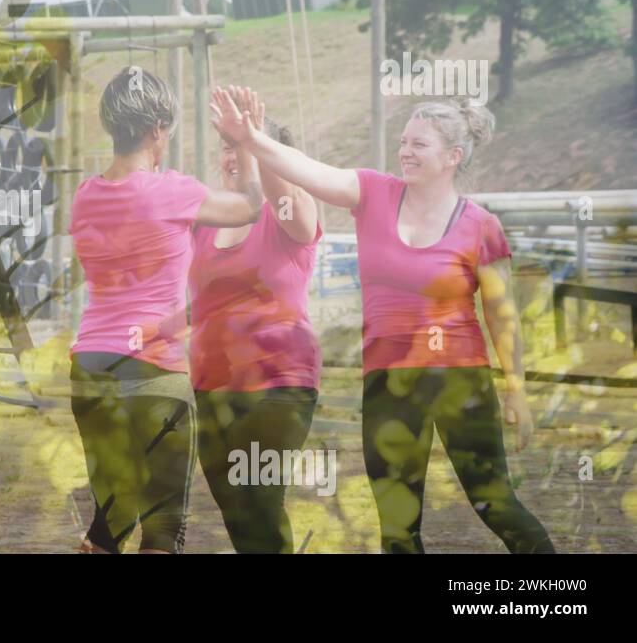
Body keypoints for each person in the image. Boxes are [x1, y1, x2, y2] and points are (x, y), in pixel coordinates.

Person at [214, 88, 555, 554]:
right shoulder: (372, 192)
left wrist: (515, 388)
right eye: (403, 141)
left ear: (453, 156)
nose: (405, 152)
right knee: (397, 525)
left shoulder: (481, 225)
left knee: (493, 503)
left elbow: (502, 315)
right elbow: (309, 172)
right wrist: (251, 138)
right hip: (388, 383)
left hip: (460, 379)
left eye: (419, 144)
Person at [67, 68, 263, 553]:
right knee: (162, 527)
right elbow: (251, 207)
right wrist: (244, 143)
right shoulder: (173, 190)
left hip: (91, 367)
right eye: (168, 131)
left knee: (110, 519)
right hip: (154, 370)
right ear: (157, 129)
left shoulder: (84, 197)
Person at [189, 89, 322, 553]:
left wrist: (255, 140)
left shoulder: (289, 212)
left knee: (259, 499)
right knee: (239, 515)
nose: (232, 155)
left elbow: (284, 200)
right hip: (212, 385)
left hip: (278, 381)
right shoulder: (205, 222)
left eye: (241, 145)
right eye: (227, 145)